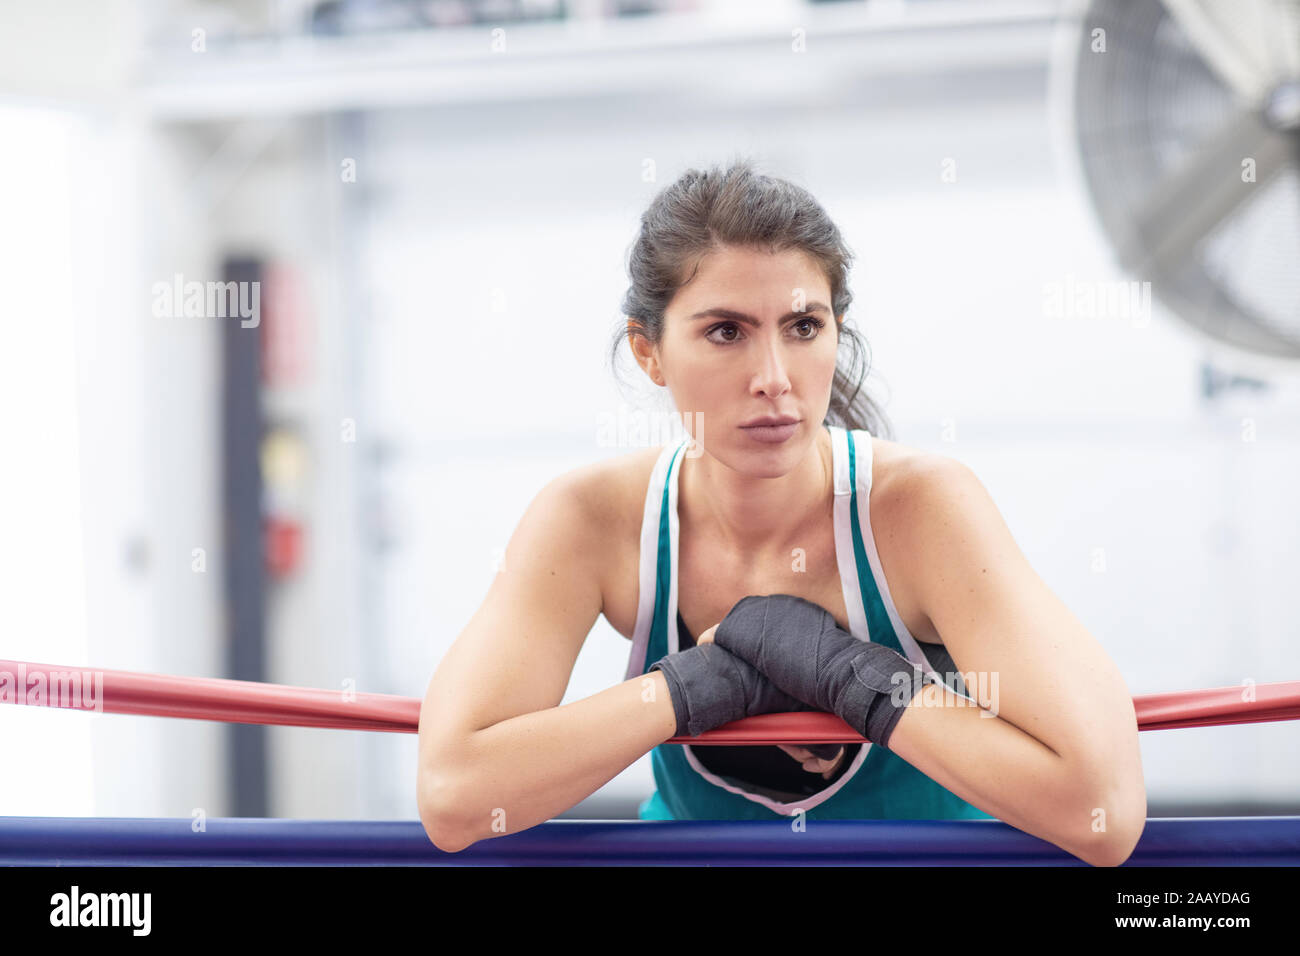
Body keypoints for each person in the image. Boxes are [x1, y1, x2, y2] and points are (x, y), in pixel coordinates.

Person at [417, 158, 1145, 865]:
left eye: (802, 327)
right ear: (650, 353)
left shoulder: (920, 509)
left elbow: (1103, 810)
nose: (773, 379)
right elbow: (453, 797)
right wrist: (695, 686)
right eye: (726, 331)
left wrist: (851, 676)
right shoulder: (593, 518)